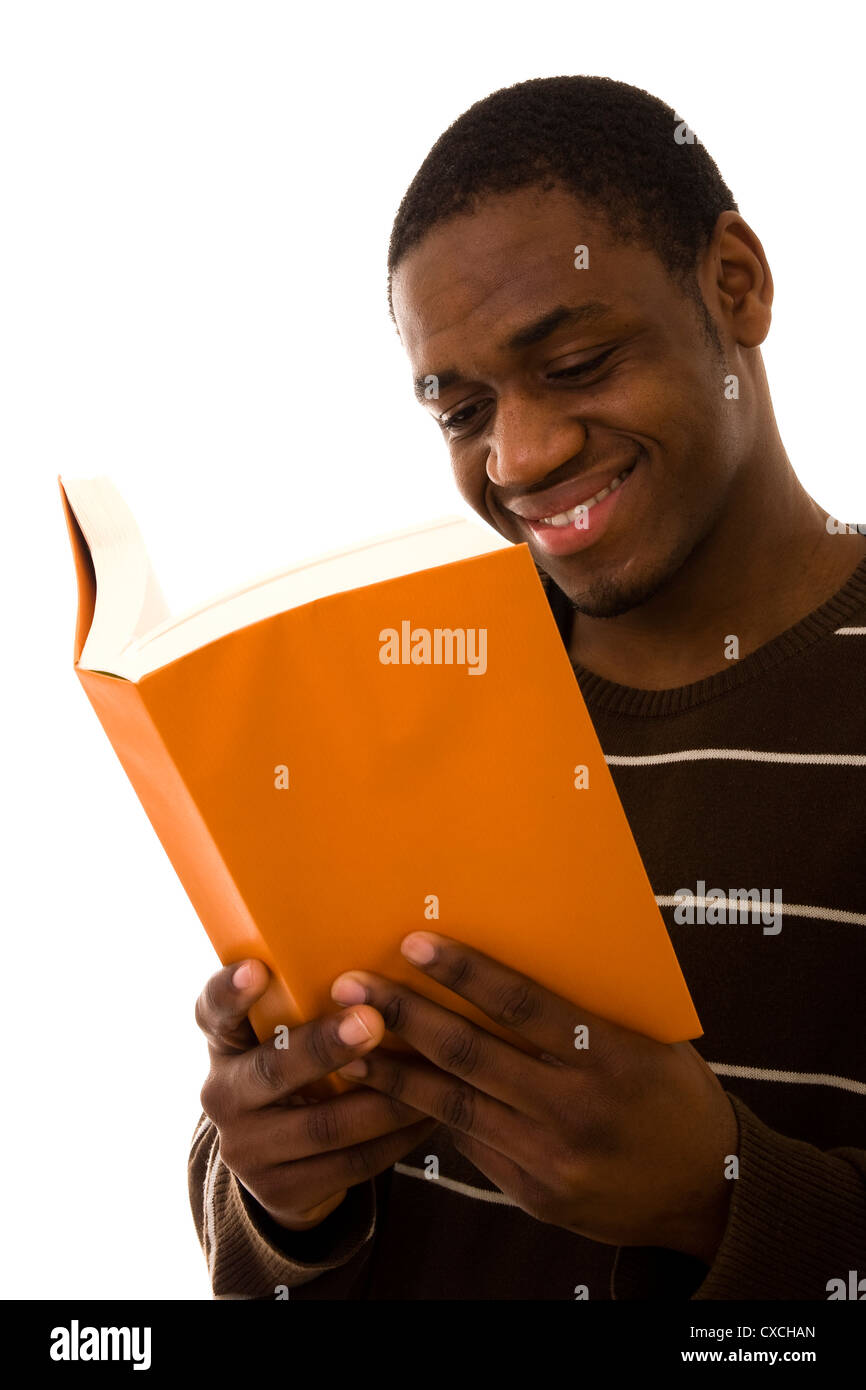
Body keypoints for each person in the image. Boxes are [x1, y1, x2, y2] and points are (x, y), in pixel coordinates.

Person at [189, 75, 866, 1300]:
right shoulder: (398, 696)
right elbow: (273, 1247)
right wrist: (279, 1187)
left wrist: (715, 1196)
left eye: (575, 360)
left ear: (735, 285)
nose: (520, 457)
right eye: (460, 409)